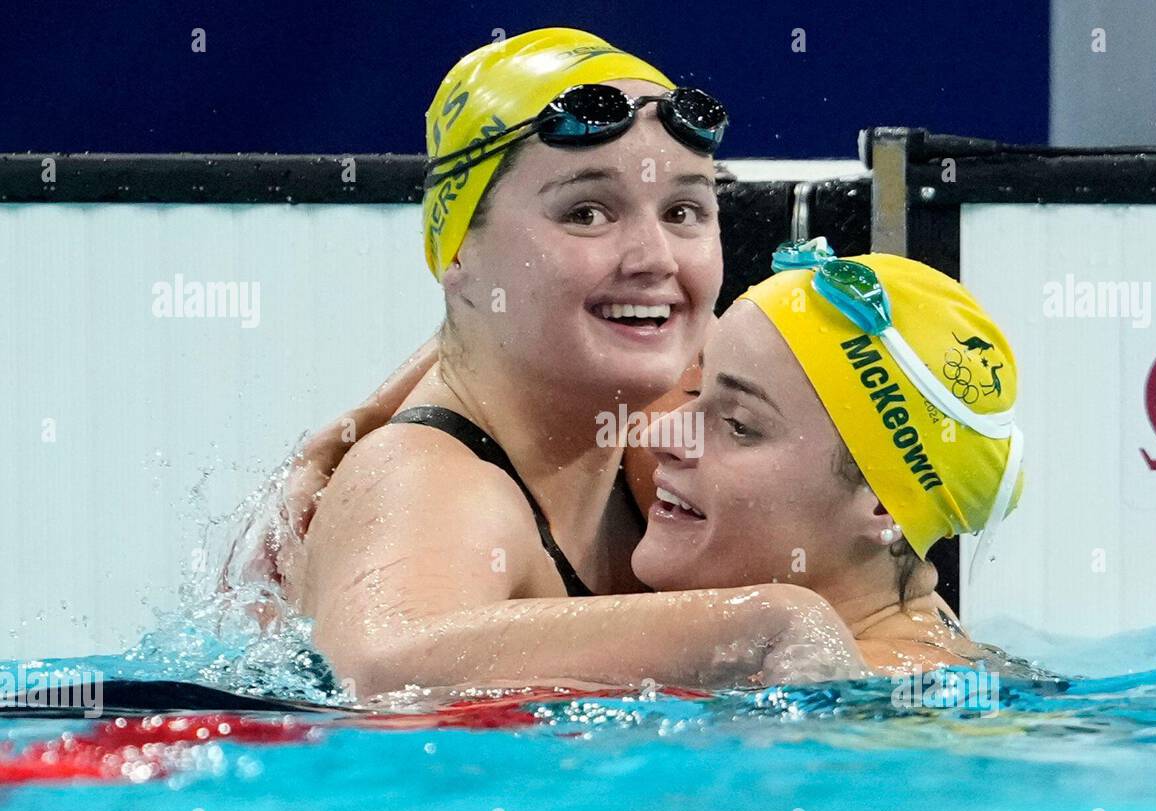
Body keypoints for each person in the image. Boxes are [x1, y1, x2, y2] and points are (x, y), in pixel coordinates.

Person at [273, 28, 868, 696]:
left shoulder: (661, 388)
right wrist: (765, 623)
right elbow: (374, 665)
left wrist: (364, 412)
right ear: (460, 254)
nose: (656, 258)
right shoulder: (431, 482)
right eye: (587, 212)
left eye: (683, 210)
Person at [629, 241, 1026, 672]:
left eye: (740, 425)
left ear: (883, 505)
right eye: (696, 390)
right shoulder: (922, 642)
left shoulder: (824, 682)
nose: (661, 434)